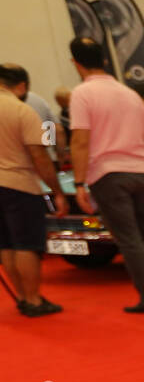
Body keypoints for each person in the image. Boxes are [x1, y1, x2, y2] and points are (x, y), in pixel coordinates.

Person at [68, 36, 144, 313]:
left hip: (109, 174)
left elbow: (80, 140)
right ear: (104, 60)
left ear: (75, 63)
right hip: (142, 171)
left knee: (129, 238)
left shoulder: (82, 94)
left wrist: (79, 183)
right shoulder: (130, 94)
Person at [0, 64, 68, 317]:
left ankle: (21, 296)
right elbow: (41, 153)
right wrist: (57, 191)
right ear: (21, 86)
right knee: (26, 245)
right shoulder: (23, 110)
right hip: (19, 184)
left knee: (6, 245)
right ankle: (34, 299)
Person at [2, 66, 67, 168]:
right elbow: (57, 129)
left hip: (18, 166)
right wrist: (59, 152)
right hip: (48, 158)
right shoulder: (38, 99)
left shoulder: (5, 104)